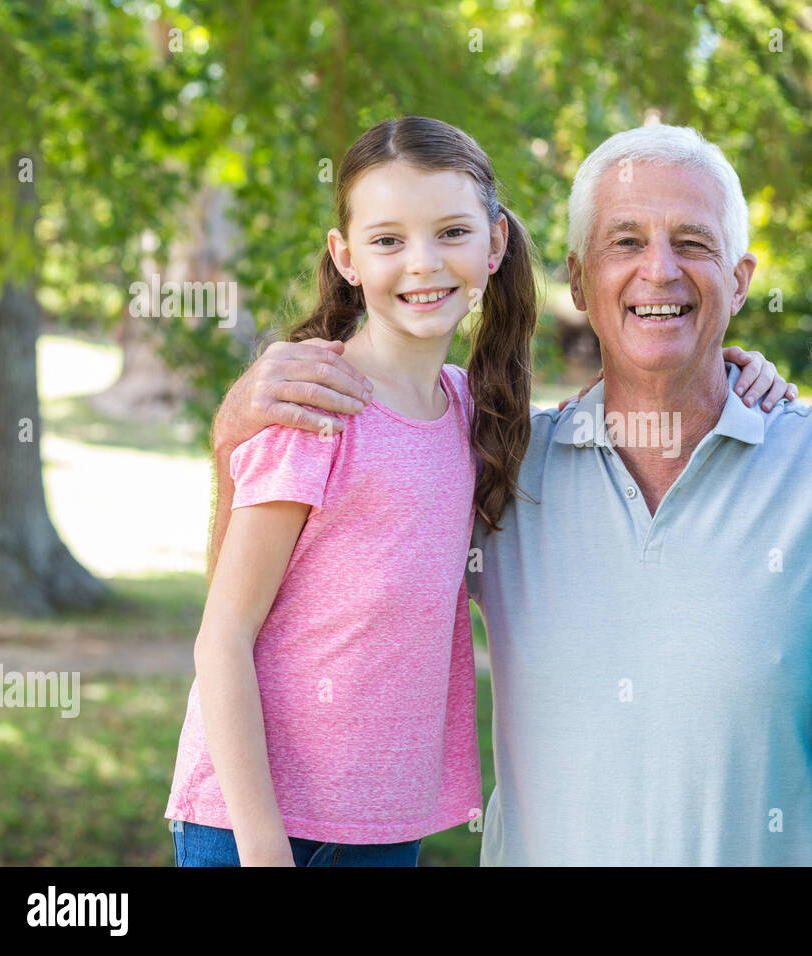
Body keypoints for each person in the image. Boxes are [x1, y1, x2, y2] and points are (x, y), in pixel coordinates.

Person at [208, 124, 812, 865]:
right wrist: (230, 438)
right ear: (581, 279)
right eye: (626, 242)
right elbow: (272, 605)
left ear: (740, 280)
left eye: (694, 244)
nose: (659, 272)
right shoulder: (498, 459)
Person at [164, 115, 538, 866]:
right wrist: (263, 847)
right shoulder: (314, 407)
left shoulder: (473, 410)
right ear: (347, 258)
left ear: (495, 244)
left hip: (386, 827)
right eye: (389, 239)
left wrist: (730, 368)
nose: (424, 264)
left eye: (452, 232)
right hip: (258, 826)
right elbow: (223, 635)